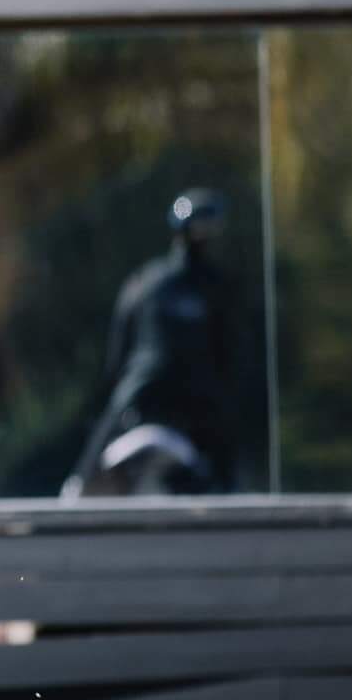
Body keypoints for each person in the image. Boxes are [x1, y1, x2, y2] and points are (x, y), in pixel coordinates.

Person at [62, 189, 236, 497]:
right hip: (195, 405)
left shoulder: (144, 281)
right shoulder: (218, 287)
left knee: (86, 471)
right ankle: (229, 488)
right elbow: (229, 356)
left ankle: (76, 487)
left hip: (138, 397)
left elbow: (118, 356)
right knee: (225, 468)